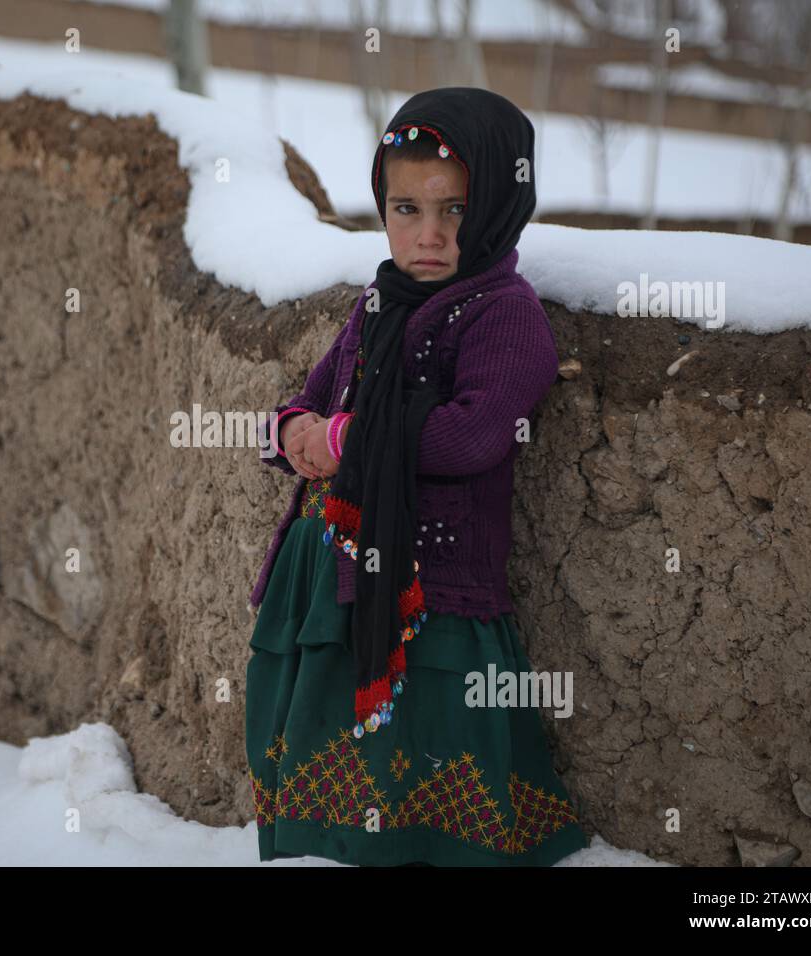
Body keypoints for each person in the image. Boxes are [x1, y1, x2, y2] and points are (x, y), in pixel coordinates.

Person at [245, 87, 589, 867]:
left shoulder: (503, 316)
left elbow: (470, 435)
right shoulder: (380, 302)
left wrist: (343, 440)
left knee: (425, 777)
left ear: (501, 203)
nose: (427, 235)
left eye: (456, 211)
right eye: (405, 208)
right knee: (320, 764)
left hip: (427, 596)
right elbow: (318, 393)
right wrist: (293, 431)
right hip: (326, 584)